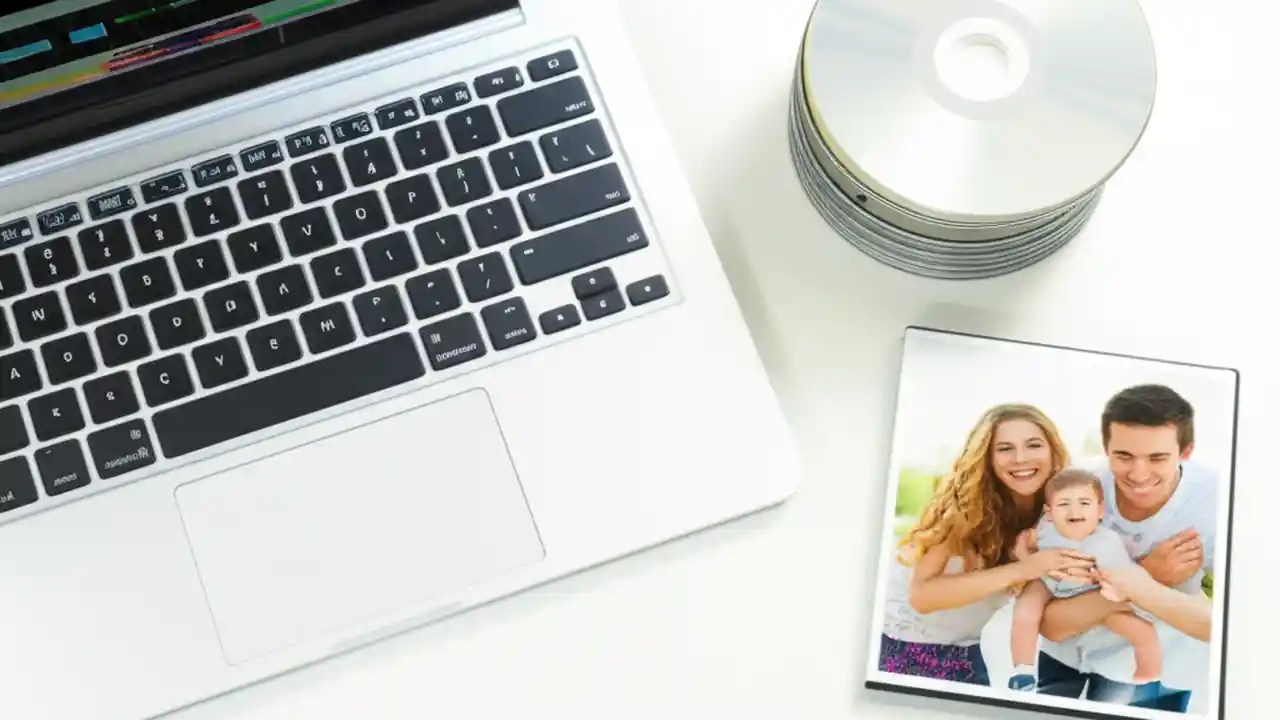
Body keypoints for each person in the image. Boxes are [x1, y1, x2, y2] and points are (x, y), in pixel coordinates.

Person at [878, 404, 1095, 686]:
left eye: (1033, 445)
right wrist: (1025, 568)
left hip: (969, 650)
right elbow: (922, 597)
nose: (1020, 458)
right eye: (1004, 449)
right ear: (988, 458)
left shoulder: (1061, 510)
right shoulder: (962, 510)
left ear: (1053, 451)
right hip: (909, 648)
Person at [1035, 384, 1218, 711]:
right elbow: (1050, 622)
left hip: (1150, 670)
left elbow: (1227, 626)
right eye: (1123, 456)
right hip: (1063, 655)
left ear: (1185, 452)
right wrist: (1148, 573)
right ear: (1105, 447)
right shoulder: (1075, 489)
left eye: (1157, 457)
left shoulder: (1216, 504)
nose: (1139, 473)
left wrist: (1135, 584)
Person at [1006, 468, 1161, 692]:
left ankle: (1148, 672)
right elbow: (1025, 544)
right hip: (1049, 584)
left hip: (1088, 593)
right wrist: (1024, 556)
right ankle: (1023, 671)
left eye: (1084, 503)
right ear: (1049, 513)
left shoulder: (1106, 542)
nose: (1074, 510)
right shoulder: (1046, 530)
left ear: (1100, 511)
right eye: (1064, 504)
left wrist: (1107, 586)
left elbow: (1122, 577)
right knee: (1025, 609)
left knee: (1142, 631)